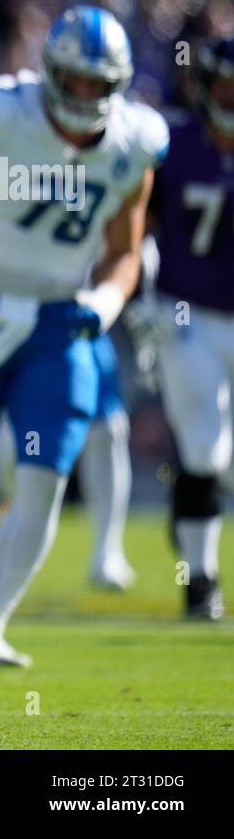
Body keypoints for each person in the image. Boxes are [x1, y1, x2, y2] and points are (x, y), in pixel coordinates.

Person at [0, 6, 168, 666]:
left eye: (93, 84)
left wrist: (104, 299)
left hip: (56, 319)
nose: (80, 96)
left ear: (117, 85)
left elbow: (125, 250)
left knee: (47, 471)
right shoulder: (1, 115)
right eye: (69, 81)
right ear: (49, 74)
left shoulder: (133, 143)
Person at [146, 33, 234, 619]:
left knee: (217, 456)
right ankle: (200, 581)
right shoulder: (170, 146)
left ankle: (188, 522)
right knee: (205, 444)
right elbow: (133, 225)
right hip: (184, 313)